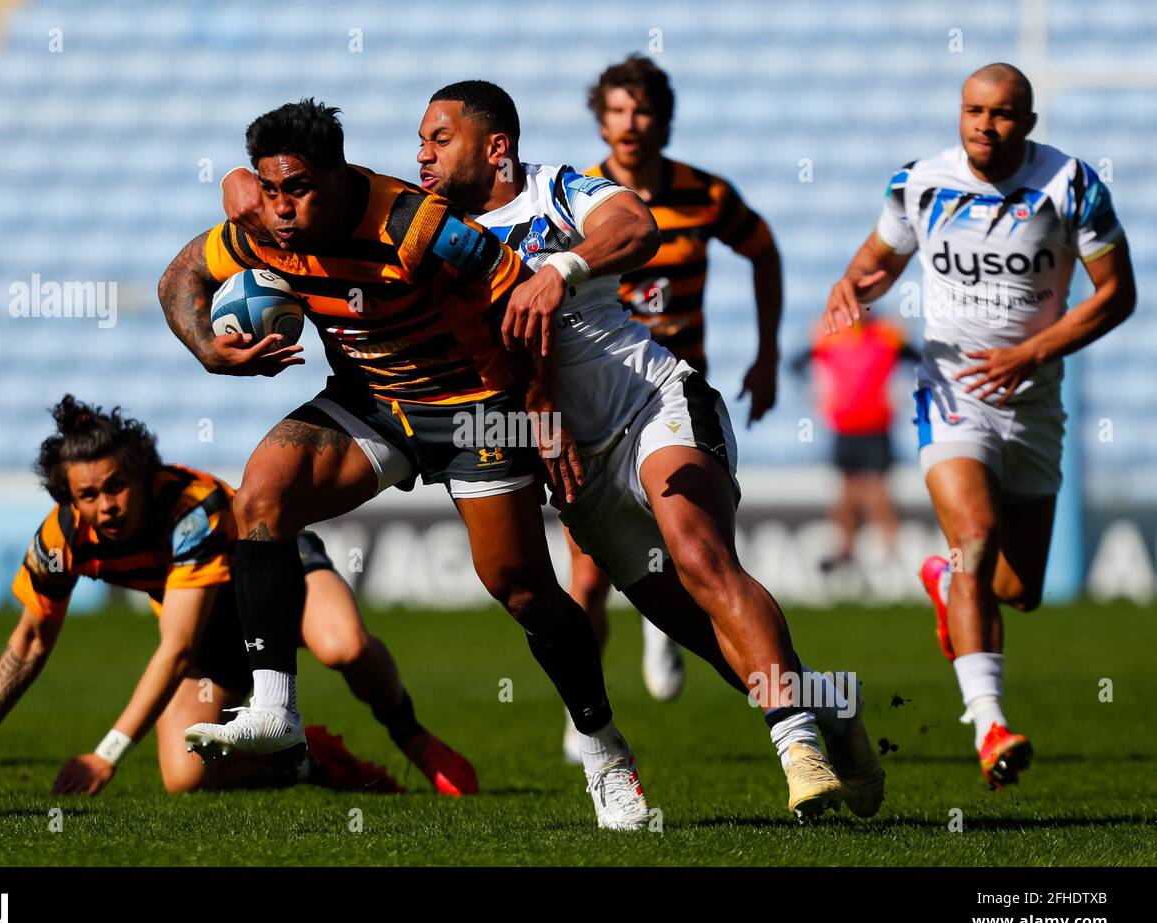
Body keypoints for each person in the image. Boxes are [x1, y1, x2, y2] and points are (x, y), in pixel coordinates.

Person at [226, 81, 883, 820]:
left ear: (496, 147)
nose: (422, 155)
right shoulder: (423, 225)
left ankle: (797, 748)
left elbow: (638, 227)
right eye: (419, 142)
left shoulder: (557, 191)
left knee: (700, 559)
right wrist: (237, 187)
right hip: (568, 459)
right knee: (699, 630)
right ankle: (827, 704)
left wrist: (560, 269)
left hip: (650, 402)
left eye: (440, 139)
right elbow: (287, 192)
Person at [160, 99, 652, 829]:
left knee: (518, 587)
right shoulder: (259, 226)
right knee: (260, 496)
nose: (282, 208)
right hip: (373, 400)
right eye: (270, 190)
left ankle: (604, 748)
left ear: (339, 173)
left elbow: (521, 302)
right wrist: (209, 348)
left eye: (297, 189)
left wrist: (543, 413)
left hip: (473, 403)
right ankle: (274, 707)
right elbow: (179, 278)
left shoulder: (415, 227)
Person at [0, 396, 478, 796]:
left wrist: (104, 752)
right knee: (185, 777)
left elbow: (175, 649)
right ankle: (309, 763)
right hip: (212, 635)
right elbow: (31, 639)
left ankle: (413, 736)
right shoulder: (62, 538)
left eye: (116, 486)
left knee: (344, 647)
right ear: (68, 497)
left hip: (279, 575)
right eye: (89, 495)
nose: (106, 505)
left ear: (141, 474)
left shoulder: (191, 507)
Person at [822, 63, 1135, 787]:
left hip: (1034, 397)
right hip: (952, 392)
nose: (984, 127)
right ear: (958, 112)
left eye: (1001, 115)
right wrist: (850, 287)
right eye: (973, 111)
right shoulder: (917, 183)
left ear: (1026, 122)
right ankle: (990, 723)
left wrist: (1030, 351)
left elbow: (1117, 295)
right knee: (974, 539)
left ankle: (944, 584)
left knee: (1018, 587)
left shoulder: (1072, 185)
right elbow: (877, 261)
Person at [562, 55, 786, 703]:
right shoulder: (580, 200)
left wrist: (767, 354)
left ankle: (672, 628)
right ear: (601, 122)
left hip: (673, 399)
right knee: (586, 577)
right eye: (619, 111)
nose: (631, 123)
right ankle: (588, 715)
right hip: (603, 404)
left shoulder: (704, 194)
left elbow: (763, 248)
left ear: (664, 121)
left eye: (644, 111)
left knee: (699, 548)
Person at [790, 313, 919, 571]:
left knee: (877, 488)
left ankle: (891, 549)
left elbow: (917, 358)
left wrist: (904, 389)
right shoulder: (830, 338)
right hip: (844, 424)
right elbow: (796, 365)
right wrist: (813, 393)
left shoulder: (886, 336)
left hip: (876, 423)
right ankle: (846, 549)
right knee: (847, 488)